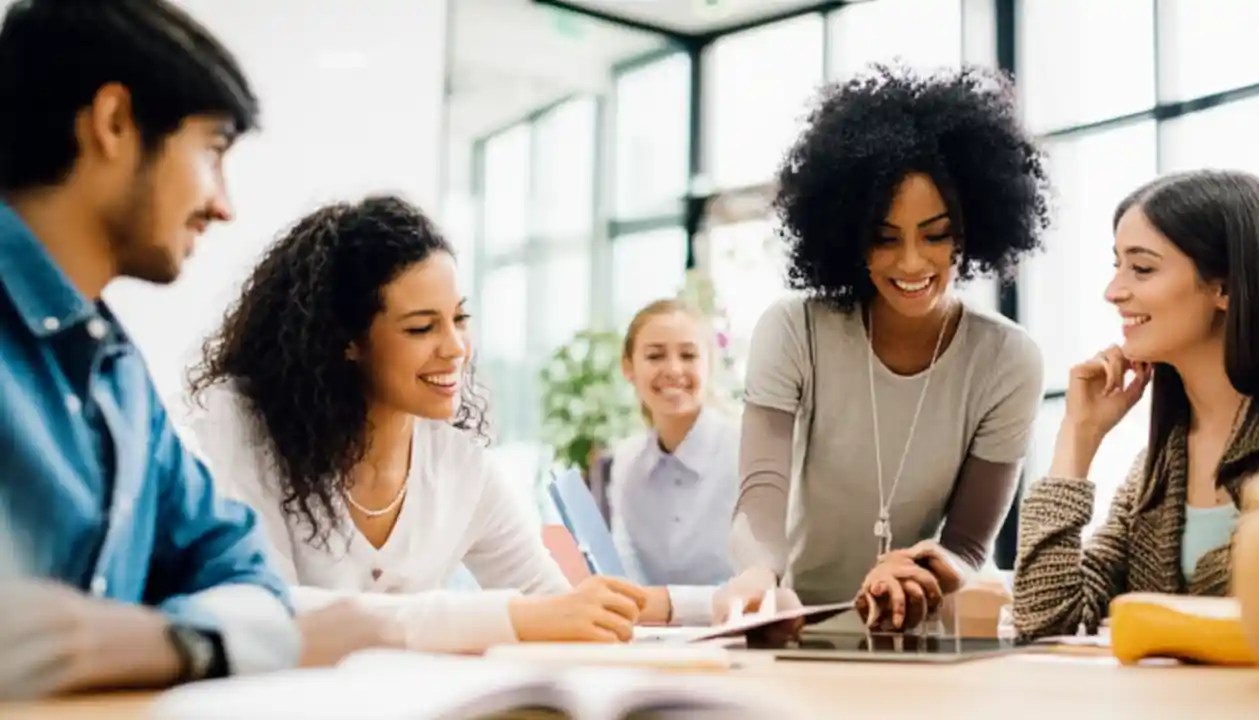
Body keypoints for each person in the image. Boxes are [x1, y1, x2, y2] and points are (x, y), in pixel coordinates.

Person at [185, 196, 647, 663]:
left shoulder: (459, 462)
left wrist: (598, 615)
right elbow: (267, 610)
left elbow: (549, 605)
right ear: (346, 341)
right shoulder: (241, 427)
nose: (455, 348)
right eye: (422, 328)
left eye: (459, 319)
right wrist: (508, 618)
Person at [0, 0, 297, 700]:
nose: (224, 204)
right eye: (213, 150)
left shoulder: (121, 381)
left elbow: (251, 578)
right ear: (114, 123)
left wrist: (169, 642)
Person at [725, 63, 1051, 631]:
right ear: (850, 235)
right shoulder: (794, 330)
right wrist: (759, 574)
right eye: (884, 237)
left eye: (935, 234)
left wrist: (922, 571)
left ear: (969, 231)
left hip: (919, 639)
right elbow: (761, 495)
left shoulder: (1007, 360)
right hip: (799, 625)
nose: (910, 263)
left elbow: (971, 545)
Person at [1013, 169, 1259, 640]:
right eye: (1116, 265)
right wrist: (1078, 438)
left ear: (1225, 287)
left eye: (1142, 268)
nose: (1113, 291)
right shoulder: (1156, 472)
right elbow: (1045, 621)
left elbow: (1241, 614)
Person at [609, 298, 740, 625]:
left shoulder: (747, 452)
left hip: (742, 644)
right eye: (655, 356)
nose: (673, 370)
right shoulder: (626, 464)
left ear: (710, 364)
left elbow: (769, 586)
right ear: (628, 367)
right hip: (650, 646)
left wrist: (668, 604)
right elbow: (626, 574)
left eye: (688, 355)